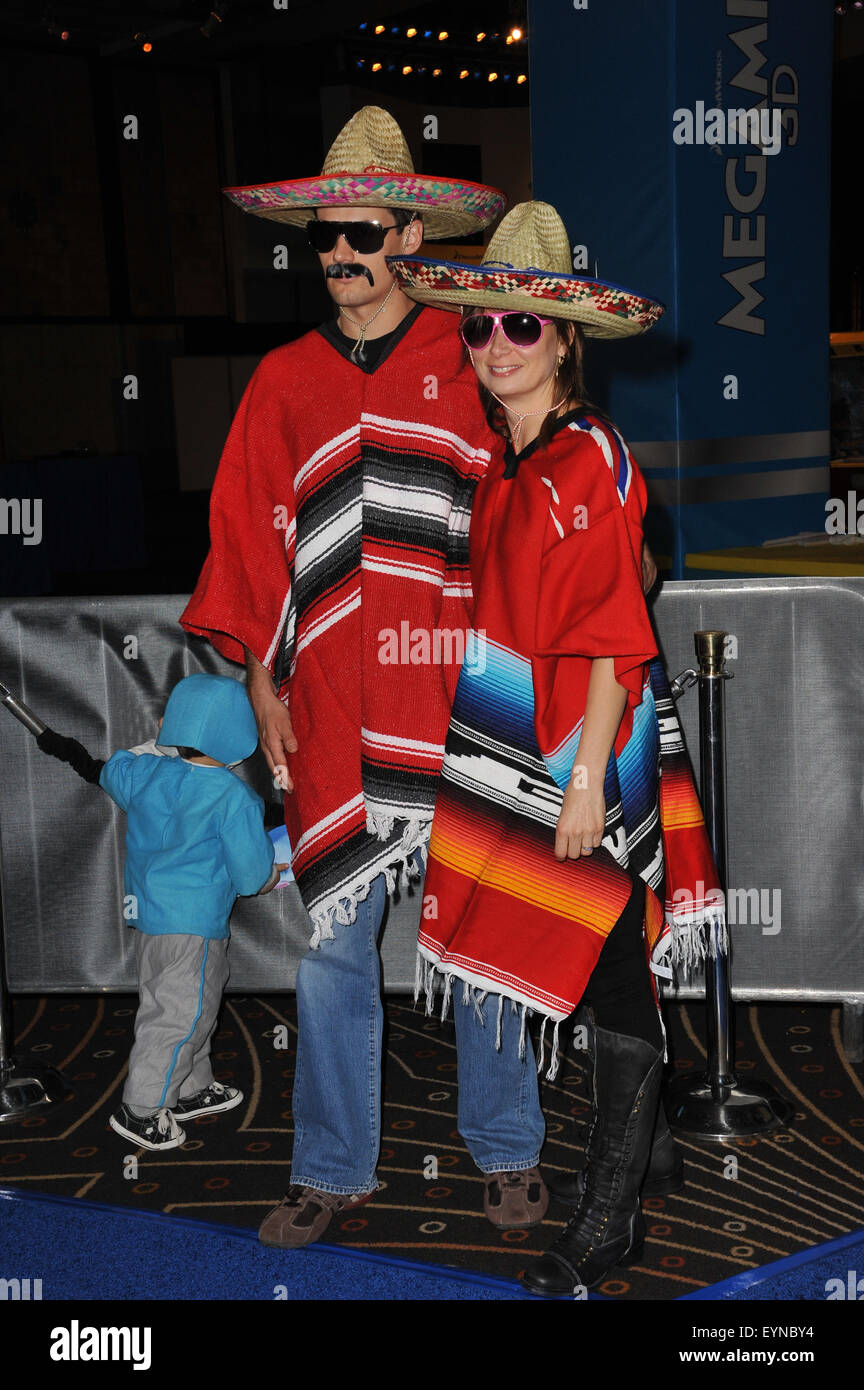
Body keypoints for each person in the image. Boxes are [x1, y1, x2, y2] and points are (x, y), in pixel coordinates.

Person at [387, 201, 725, 1294]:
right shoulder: (509, 467)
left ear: (566, 341)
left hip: (591, 737)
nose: (496, 347)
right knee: (588, 957)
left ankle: (606, 1222)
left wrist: (584, 774)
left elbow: (610, 625)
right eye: (481, 329)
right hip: (539, 742)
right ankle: (653, 1140)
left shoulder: (586, 457)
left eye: (523, 328)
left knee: (612, 969)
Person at [37, 673, 284, 1151]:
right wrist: (272, 876)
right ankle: (142, 1108)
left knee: (184, 1006)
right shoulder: (232, 796)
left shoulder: (147, 775)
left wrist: (164, 742)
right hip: (195, 925)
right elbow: (253, 875)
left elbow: (116, 767)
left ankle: (190, 1087)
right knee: (180, 1015)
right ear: (240, 736)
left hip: (152, 918)